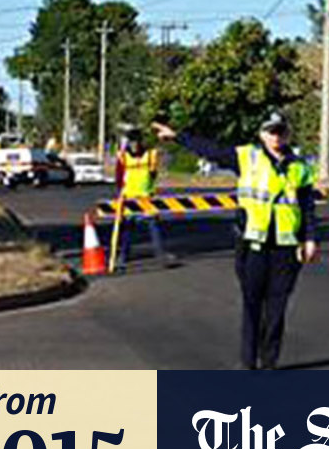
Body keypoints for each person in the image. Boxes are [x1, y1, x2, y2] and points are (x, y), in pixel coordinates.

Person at [153, 113, 318, 370]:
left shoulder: (300, 168)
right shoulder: (247, 157)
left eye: (280, 131)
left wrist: (309, 239)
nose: (276, 137)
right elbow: (212, 150)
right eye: (271, 131)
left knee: (277, 309)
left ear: (288, 135)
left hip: (285, 248)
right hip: (252, 244)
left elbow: (307, 206)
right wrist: (178, 137)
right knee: (252, 306)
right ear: (262, 134)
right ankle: (248, 362)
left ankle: (270, 363)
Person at [114, 129, 171, 268]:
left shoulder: (150, 155)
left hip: (146, 197)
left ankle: (160, 255)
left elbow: (153, 174)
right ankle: (123, 257)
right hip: (129, 197)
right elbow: (119, 177)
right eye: (131, 142)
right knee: (128, 229)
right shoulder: (123, 157)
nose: (134, 145)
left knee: (153, 227)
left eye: (136, 142)